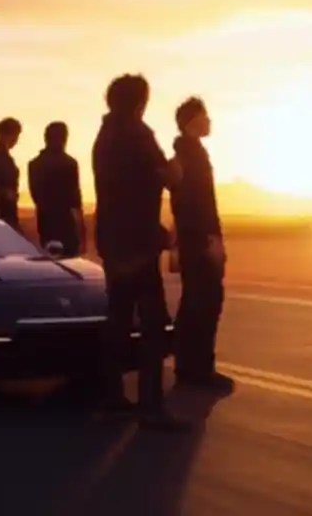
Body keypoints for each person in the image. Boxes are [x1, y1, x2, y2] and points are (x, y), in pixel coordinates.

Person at [92, 74, 188, 431]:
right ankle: (151, 405)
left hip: (114, 242)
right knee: (154, 324)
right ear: (139, 102)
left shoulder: (104, 137)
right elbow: (168, 176)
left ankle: (112, 397)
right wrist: (178, 165)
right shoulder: (138, 134)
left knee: (117, 321)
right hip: (139, 243)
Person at [170, 97, 236, 394]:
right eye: (205, 115)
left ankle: (190, 368)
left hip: (195, 237)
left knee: (196, 302)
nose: (209, 120)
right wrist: (209, 238)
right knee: (205, 302)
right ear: (192, 121)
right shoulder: (190, 156)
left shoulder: (190, 153)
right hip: (199, 239)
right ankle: (198, 370)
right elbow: (195, 203)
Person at [28, 121, 85, 257]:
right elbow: (75, 199)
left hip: (45, 222)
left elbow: (35, 195)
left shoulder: (35, 164)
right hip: (66, 223)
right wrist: (82, 228)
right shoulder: (69, 163)